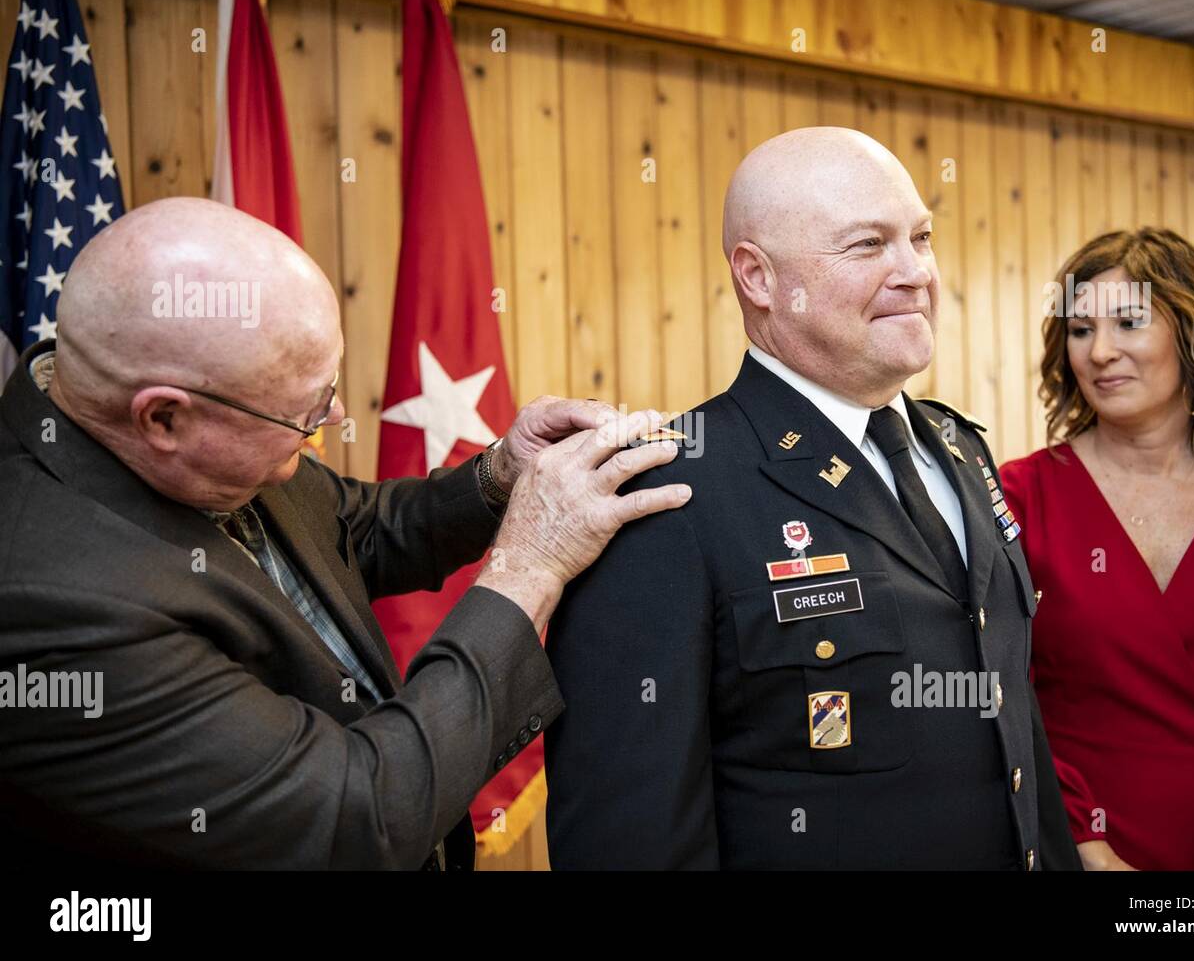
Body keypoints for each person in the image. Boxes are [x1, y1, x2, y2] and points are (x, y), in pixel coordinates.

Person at [0, 197, 691, 870]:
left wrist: (498, 477)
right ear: (165, 421)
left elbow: (353, 531)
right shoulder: (51, 607)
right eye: (306, 413)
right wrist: (530, 566)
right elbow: (358, 816)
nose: (331, 418)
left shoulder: (211, 437)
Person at [544, 127, 1079, 870]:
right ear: (759, 279)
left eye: (920, 237)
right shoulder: (668, 493)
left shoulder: (959, 451)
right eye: (867, 246)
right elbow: (631, 836)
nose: (915, 271)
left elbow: (1015, 742)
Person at [999, 228, 1194, 871]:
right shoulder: (1014, 498)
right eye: (1080, 330)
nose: (1101, 352)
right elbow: (1001, 691)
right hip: (1061, 839)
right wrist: (1081, 840)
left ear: (1191, 334)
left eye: (1129, 323)